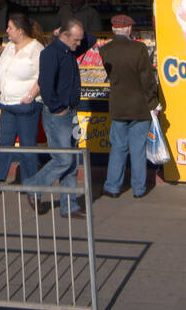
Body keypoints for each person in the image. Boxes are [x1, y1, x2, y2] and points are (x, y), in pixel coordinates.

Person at [22, 16, 96, 217]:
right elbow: (45, 85)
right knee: (63, 159)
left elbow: (92, 39)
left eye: (79, 39)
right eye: (75, 39)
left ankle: (69, 205)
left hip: (71, 111)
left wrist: (74, 29)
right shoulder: (50, 54)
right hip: (58, 115)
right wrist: (57, 108)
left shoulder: (71, 49)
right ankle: (34, 186)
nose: (79, 43)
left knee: (72, 161)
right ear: (64, 35)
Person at [100, 14, 161, 199]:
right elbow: (147, 79)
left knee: (117, 147)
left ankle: (112, 187)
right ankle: (139, 188)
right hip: (139, 106)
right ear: (128, 29)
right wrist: (154, 102)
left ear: (113, 29)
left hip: (118, 105)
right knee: (137, 148)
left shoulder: (105, 50)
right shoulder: (139, 48)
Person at [0, 14, 43, 185]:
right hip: (7, 103)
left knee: (27, 145)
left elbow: (43, 77)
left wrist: (30, 96)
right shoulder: (9, 47)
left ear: (20, 31)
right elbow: (1, 72)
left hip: (26, 105)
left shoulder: (37, 49)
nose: (7, 30)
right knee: (4, 141)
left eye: (10, 27)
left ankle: (30, 181)